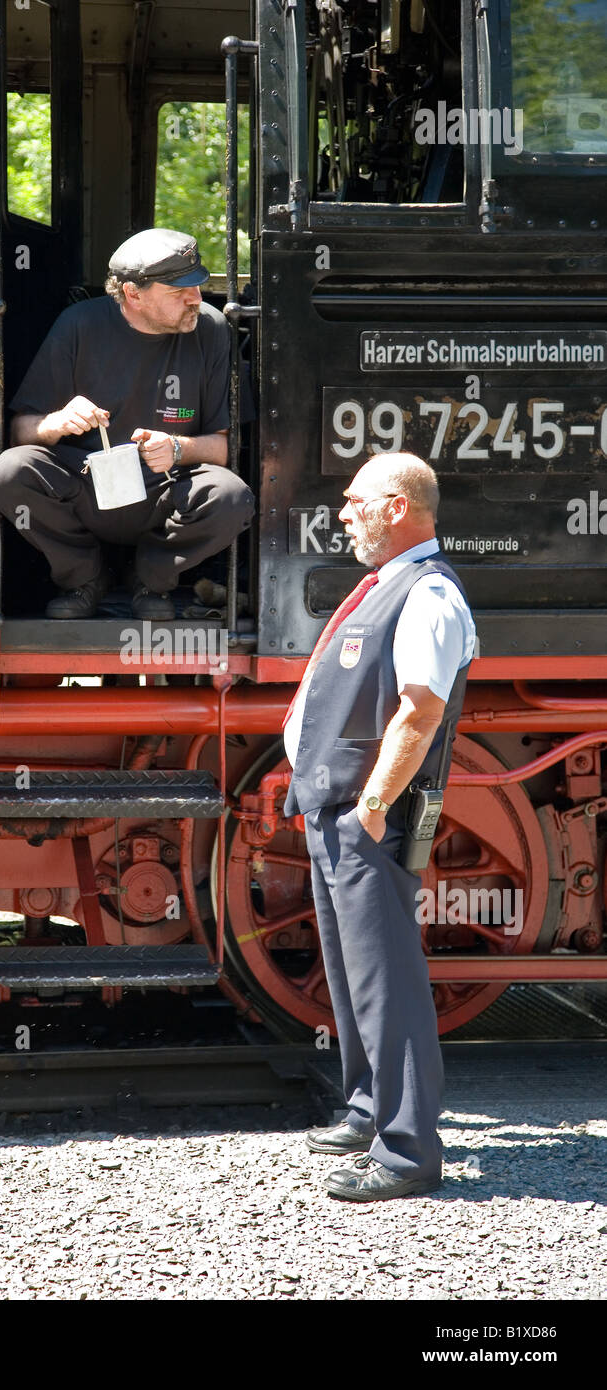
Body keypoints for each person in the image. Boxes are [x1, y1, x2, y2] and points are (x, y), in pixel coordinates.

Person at [284, 452, 476, 1200]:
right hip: (333, 809)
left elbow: (420, 712)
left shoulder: (427, 594)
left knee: (387, 982)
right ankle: (367, 1109)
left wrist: (370, 808)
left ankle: (406, 1155)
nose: (343, 512)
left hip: (368, 817)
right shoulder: (390, 586)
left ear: (399, 507)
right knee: (353, 978)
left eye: (356, 500)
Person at [0, 228, 254, 620]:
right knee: (10, 471)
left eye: (197, 285)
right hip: (84, 485)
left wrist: (178, 448)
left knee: (231, 497)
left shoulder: (211, 328)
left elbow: (224, 448)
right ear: (133, 294)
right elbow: (20, 432)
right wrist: (57, 423)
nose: (197, 298)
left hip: (167, 489)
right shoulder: (78, 324)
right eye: (180, 291)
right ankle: (85, 578)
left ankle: (152, 579)